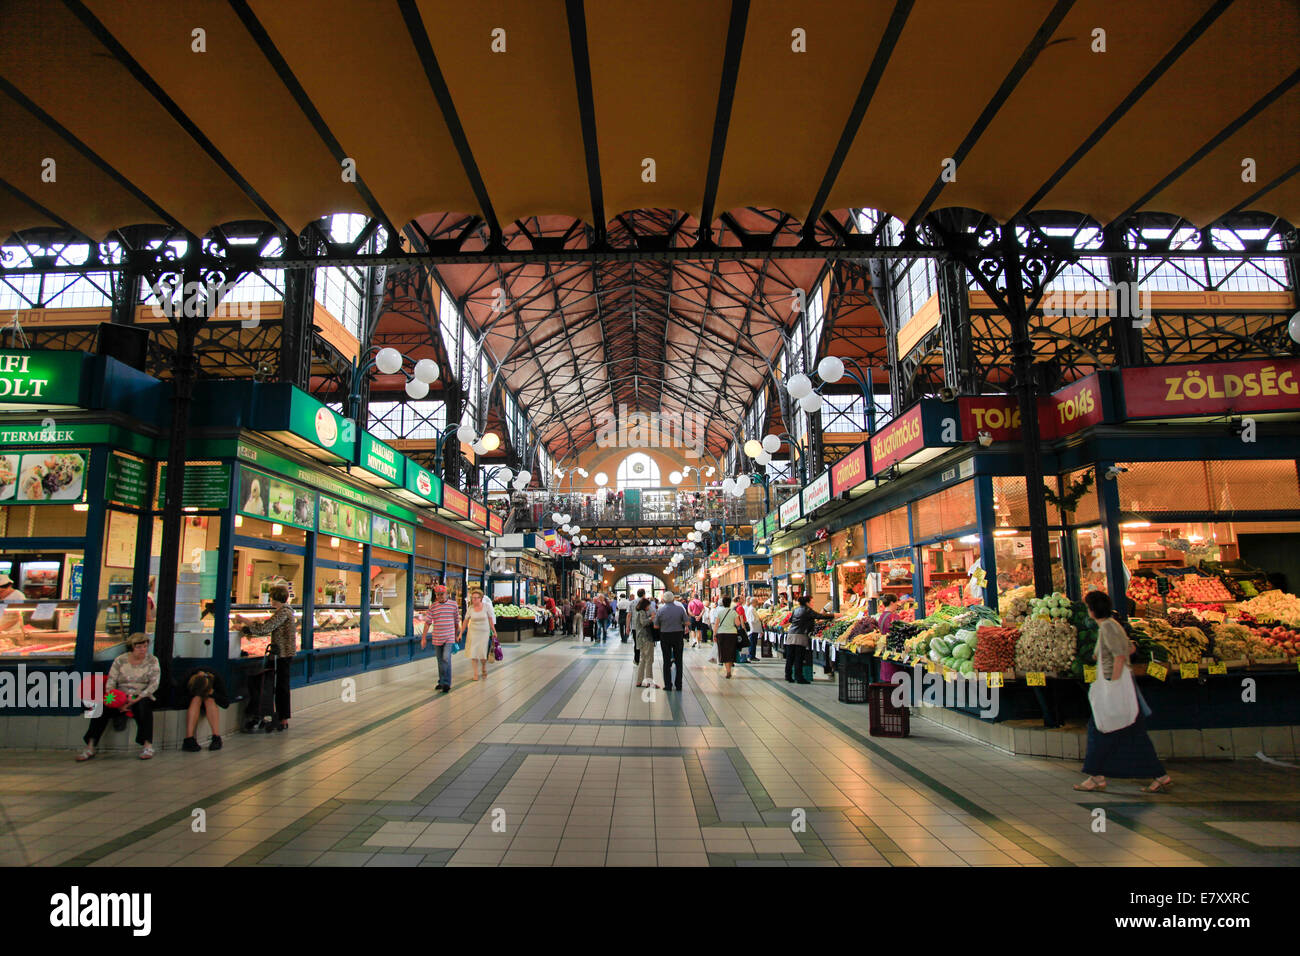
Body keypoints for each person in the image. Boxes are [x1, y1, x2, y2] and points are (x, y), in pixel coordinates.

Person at [1076, 590, 1172, 794]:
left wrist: (1112, 683)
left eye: (1088, 607)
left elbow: (1121, 655)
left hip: (1115, 687)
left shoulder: (1109, 627)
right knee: (1133, 734)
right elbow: (1130, 649)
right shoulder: (1112, 625)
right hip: (1122, 687)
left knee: (1098, 729)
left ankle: (1096, 777)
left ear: (1092, 610)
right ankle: (1159, 776)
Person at [77, 632, 159, 761]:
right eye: (139, 647)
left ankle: (147, 745)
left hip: (140, 695)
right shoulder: (120, 660)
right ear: (132, 647)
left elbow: (154, 684)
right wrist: (118, 700)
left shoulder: (152, 661)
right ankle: (90, 745)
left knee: (144, 707)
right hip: (119, 695)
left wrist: (136, 698)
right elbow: (111, 681)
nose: (142, 649)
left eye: (145, 646)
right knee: (99, 707)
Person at [237, 584, 297, 730]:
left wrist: (244, 625)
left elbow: (265, 628)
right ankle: (277, 716)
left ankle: (280, 718)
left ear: (274, 598)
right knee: (279, 686)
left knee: (279, 686)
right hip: (282, 654)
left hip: (281, 655)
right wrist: (246, 625)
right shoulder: (285, 611)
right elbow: (267, 627)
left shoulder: (283, 612)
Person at [420, 584, 460, 693]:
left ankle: (447, 683)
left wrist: (456, 635)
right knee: (440, 660)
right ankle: (441, 681)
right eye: (438, 594)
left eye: (442, 594)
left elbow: (456, 622)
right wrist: (423, 638)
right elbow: (427, 622)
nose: (440, 596)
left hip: (449, 636)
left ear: (446, 594)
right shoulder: (433, 606)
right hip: (437, 637)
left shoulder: (453, 605)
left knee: (446, 658)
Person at [785, 595, 833, 684]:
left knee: (790, 657)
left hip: (791, 635)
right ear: (807, 603)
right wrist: (834, 615)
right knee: (799, 658)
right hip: (800, 636)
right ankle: (799, 677)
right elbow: (819, 616)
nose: (813, 603)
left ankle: (788, 676)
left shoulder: (796, 609)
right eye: (812, 602)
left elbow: (791, 620)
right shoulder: (807, 610)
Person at [180, 666, 229, 752]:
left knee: (209, 700)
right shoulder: (187, 678)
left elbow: (225, 703)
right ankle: (189, 738)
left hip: (210, 700)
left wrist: (212, 693)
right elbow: (178, 700)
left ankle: (216, 736)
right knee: (196, 699)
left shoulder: (215, 678)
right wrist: (194, 695)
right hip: (192, 699)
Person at [459, 588, 498, 681]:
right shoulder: (470, 608)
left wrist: (494, 631)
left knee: (482, 653)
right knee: (473, 652)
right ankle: (475, 673)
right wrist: (460, 633)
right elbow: (465, 621)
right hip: (473, 632)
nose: (474, 600)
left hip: (484, 632)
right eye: (473, 598)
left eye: (476, 598)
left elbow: (490, 620)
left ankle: (484, 666)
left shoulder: (486, 607)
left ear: (481, 598)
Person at [655, 592, 690, 692]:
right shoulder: (680, 609)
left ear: (664, 600)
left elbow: (656, 626)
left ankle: (668, 685)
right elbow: (687, 622)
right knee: (679, 660)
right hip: (678, 635)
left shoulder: (660, 610)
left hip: (665, 635)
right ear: (673, 599)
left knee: (666, 660)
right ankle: (678, 685)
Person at [876, 594, 906, 686]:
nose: (897, 605)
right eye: (896, 602)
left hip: (884, 651)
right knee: (895, 682)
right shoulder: (894, 617)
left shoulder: (881, 616)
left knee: (887, 681)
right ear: (892, 603)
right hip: (893, 651)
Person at [713, 594, 742, 679]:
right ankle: (729, 670)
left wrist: (714, 634)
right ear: (730, 603)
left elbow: (716, 624)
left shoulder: (720, 612)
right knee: (731, 651)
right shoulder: (733, 612)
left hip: (722, 634)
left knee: (724, 652)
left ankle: (728, 670)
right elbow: (738, 624)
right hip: (732, 634)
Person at [632, 594, 658, 688]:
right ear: (644, 605)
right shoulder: (642, 612)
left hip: (640, 638)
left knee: (643, 659)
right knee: (649, 660)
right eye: (648, 605)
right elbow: (644, 623)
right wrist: (652, 618)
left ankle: (639, 681)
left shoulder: (638, 612)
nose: (649, 607)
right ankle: (649, 682)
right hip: (646, 638)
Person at [744, 594, 763, 663]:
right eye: (756, 602)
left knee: (753, 642)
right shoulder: (751, 609)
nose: (757, 603)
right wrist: (758, 619)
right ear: (753, 602)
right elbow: (752, 620)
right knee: (752, 643)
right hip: (753, 629)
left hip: (754, 629)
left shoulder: (752, 609)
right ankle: (752, 656)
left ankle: (752, 655)